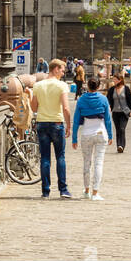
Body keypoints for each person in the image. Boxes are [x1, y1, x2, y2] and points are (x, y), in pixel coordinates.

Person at [30, 57, 73, 198]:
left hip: (42, 122)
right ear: (55, 69)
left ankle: (45, 191)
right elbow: (66, 108)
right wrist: (69, 126)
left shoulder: (38, 85)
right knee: (60, 157)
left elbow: (34, 107)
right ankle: (63, 189)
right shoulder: (61, 86)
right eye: (62, 70)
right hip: (57, 123)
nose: (63, 72)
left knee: (45, 158)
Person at [72, 76, 113, 200]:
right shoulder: (103, 99)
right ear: (99, 86)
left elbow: (75, 121)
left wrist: (74, 138)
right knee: (98, 163)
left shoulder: (81, 100)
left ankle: (86, 190)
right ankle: (95, 193)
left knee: (86, 163)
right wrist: (110, 135)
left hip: (86, 134)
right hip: (101, 132)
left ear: (87, 86)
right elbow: (107, 119)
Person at [107, 73, 131, 152]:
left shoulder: (126, 88)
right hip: (115, 112)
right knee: (118, 129)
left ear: (120, 80)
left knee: (122, 128)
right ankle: (119, 146)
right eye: (113, 79)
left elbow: (130, 99)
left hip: (125, 112)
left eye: (115, 79)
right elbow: (108, 99)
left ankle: (121, 145)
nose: (114, 81)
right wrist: (108, 106)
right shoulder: (112, 89)